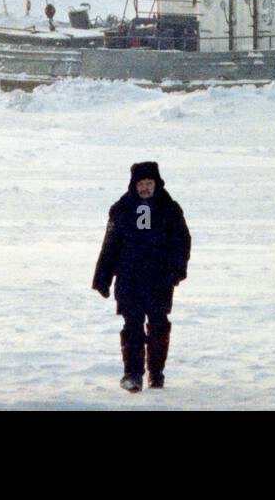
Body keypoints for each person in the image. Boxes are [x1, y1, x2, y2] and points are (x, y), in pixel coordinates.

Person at [92, 161, 191, 392]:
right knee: (132, 324)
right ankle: (133, 374)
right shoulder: (122, 209)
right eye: (141, 184)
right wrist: (103, 278)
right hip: (129, 279)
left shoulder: (170, 208)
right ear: (133, 185)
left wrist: (176, 271)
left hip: (159, 280)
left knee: (158, 324)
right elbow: (110, 245)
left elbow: (182, 242)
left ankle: (156, 374)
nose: (145, 188)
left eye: (149, 183)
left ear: (157, 184)